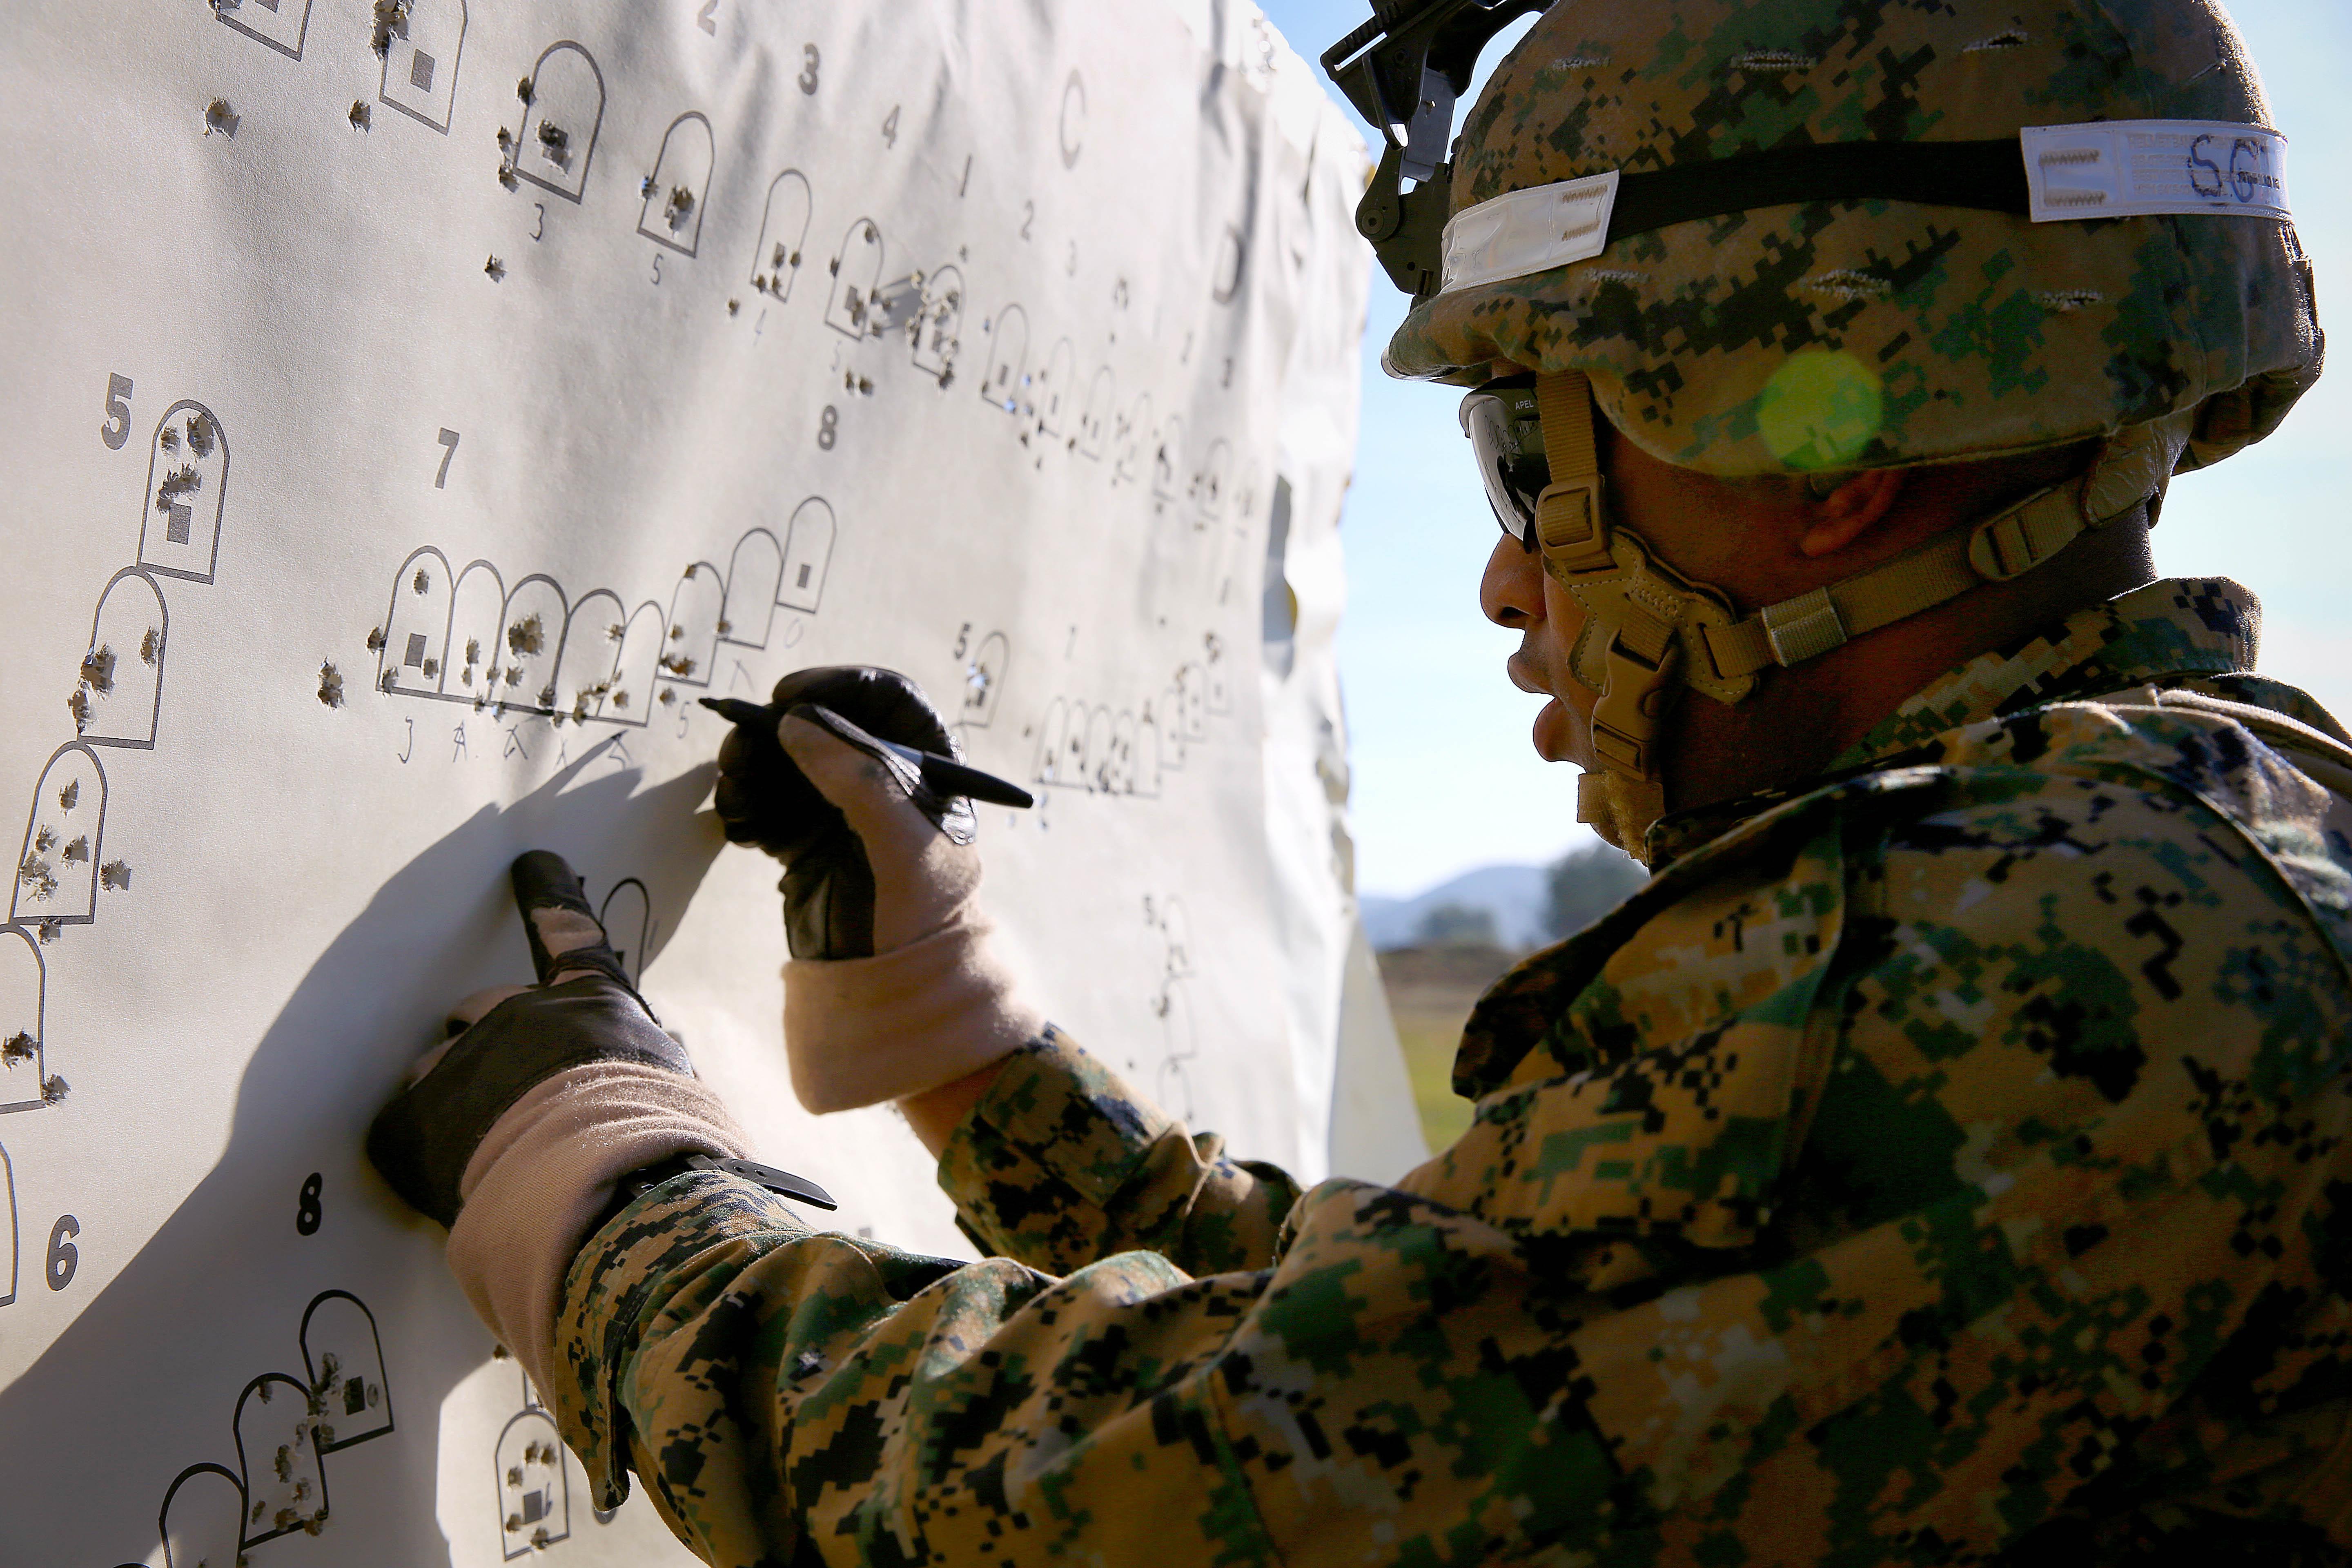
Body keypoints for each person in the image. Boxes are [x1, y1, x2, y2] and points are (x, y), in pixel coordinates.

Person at [371, 2, 2352, 1563]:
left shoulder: (2012, 952)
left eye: (1534, 464)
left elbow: (1148, 1512)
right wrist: (966, 1045)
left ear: (1821, 460)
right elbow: (1482, 1362)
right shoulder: (2194, 843)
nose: (1506, 577)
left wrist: (594, 1183)